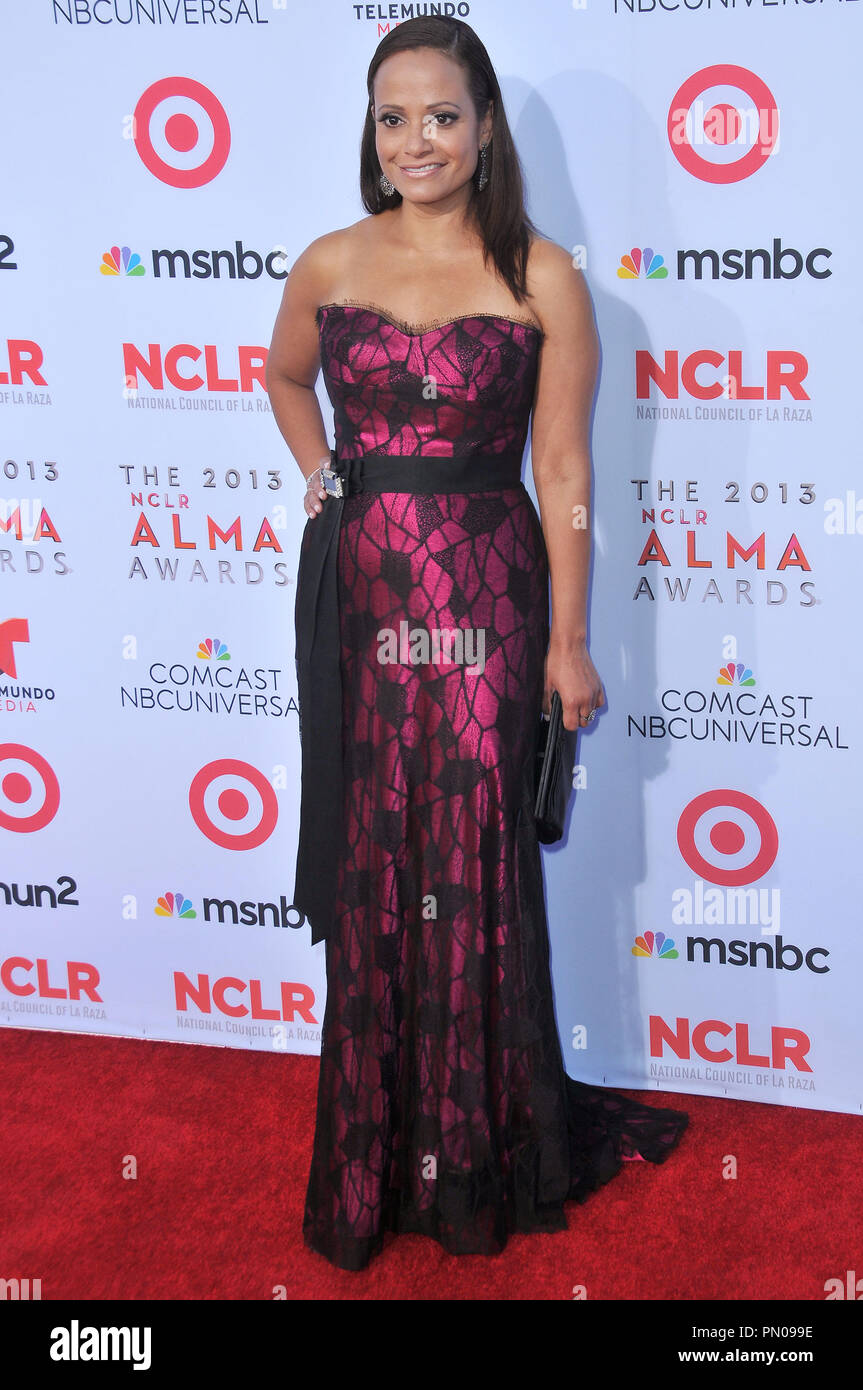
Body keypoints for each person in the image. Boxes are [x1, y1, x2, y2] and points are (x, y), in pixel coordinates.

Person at [266, 15, 688, 1273]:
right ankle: (375, 1155)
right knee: (373, 857)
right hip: (358, 602)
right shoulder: (329, 262)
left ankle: (478, 1144)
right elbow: (286, 379)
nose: (415, 141)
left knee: (474, 859)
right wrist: (319, 477)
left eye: (440, 116)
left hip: (487, 603)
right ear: (370, 129)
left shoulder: (541, 276)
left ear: (486, 125)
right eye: (392, 117)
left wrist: (566, 642)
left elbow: (562, 468)